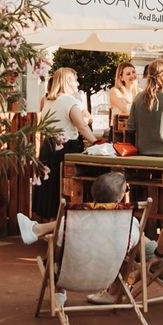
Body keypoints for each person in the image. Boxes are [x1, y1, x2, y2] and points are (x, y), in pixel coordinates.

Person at [16, 171, 142, 306]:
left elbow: (57, 255)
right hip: (106, 278)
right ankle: (113, 293)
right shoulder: (131, 224)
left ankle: (59, 290)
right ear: (119, 199)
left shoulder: (71, 221)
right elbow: (131, 251)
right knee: (125, 256)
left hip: (70, 278)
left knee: (54, 248)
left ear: (93, 193)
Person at [36, 68, 97, 219]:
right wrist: (96, 142)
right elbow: (82, 126)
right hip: (66, 147)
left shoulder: (47, 100)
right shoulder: (69, 100)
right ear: (69, 81)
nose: (78, 84)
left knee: (49, 187)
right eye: (76, 80)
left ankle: (48, 223)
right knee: (64, 186)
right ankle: (66, 222)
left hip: (48, 146)